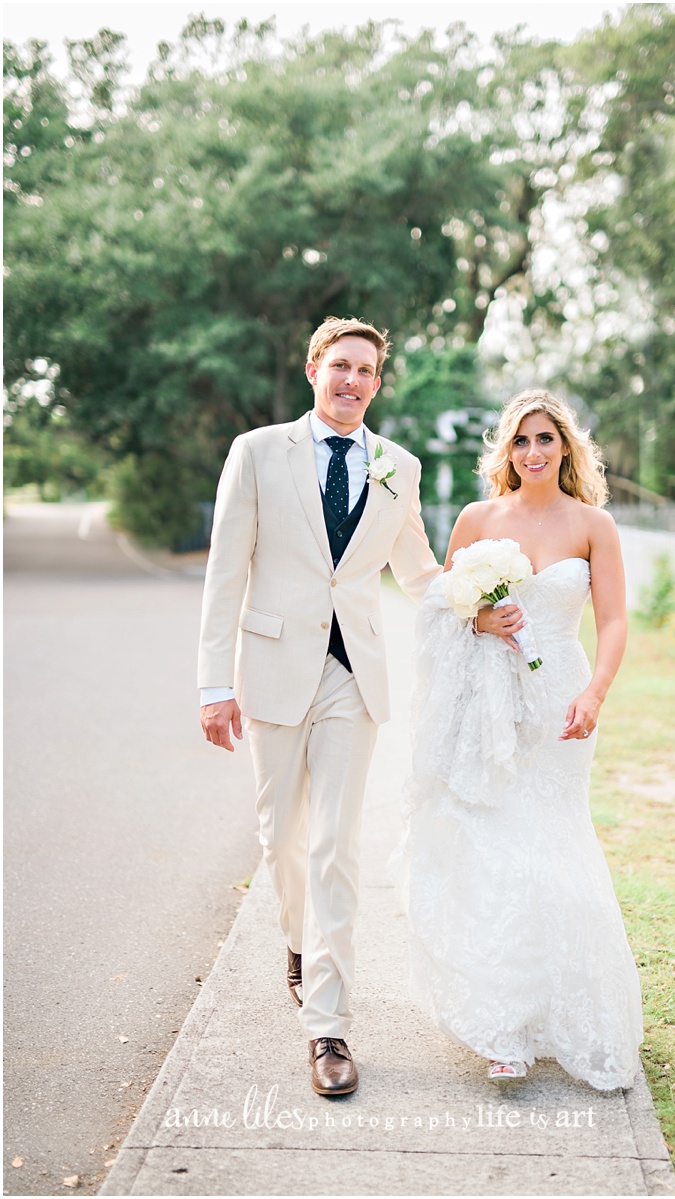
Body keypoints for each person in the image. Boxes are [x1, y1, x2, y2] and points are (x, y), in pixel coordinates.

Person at [198, 316, 440, 1097]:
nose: (353, 381)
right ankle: (298, 943)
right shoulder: (260, 452)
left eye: (367, 370)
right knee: (282, 838)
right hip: (270, 665)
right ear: (313, 369)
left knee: (337, 842)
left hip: (353, 673)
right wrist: (213, 683)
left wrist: (483, 597)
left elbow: (418, 570)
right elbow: (225, 570)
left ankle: (328, 1025)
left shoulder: (399, 467)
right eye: (341, 365)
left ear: (377, 381)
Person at [394, 388, 643, 1089]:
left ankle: (560, 1011)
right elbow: (441, 609)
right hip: (486, 703)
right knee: (492, 848)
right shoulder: (477, 518)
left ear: (566, 446)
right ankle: (504, 1025)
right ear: (506, 451)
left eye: (546, 439)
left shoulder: (594, 524)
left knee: (553, 845)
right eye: (521, 440)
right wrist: (476, 623)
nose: (534, 452)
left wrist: (594, 690)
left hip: (560, 700)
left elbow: (616, 619)